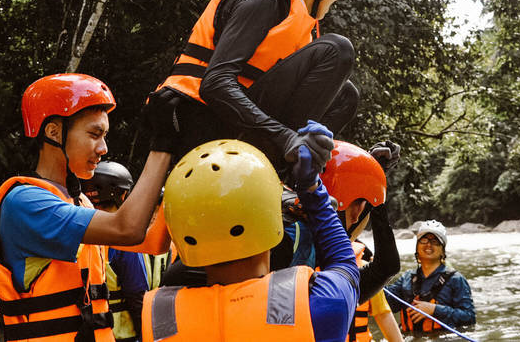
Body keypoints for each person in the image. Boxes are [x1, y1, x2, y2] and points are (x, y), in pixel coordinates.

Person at [143, 0, 368, 181]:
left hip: (235, 124)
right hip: (199, 124)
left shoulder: (293, 16)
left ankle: (291, 176)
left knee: (346, 95)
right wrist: (286, 138)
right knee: (337, 50)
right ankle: (281, 165)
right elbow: (215, 83)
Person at [0, 73, 172, 342]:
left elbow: (154, 242)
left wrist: (178, 156)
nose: (104, 148)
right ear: (53, 132)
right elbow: (127, 229)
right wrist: (162, 146)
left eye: (104, 136)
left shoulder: (79, 201)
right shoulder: (26, 203)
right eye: (94, 134)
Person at [141, 124, 361, 341]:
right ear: (268, 220)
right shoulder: (320, 305)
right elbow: (345, 266)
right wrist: (311, 188)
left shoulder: (160, 317)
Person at [320, 141, 403, 342]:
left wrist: (372, 186)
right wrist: (375, 196)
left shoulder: (284, 247)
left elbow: (387, 267)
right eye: (357, 203)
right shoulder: (336, 277)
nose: (357, 215)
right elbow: (388, 267)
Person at [80, 161, 169, 342]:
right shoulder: (124, 240)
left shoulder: (79, 235)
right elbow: (138, 297)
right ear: (122, 195)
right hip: (125, 336)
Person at [385, 220, 475, 334]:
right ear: (417, 247)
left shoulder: (456, 280)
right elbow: (385, 302)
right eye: (424, 240)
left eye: (435, 241)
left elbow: (469, 318)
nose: (428, 244)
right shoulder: (407, 278)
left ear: (442, 250)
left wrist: (434, 310)